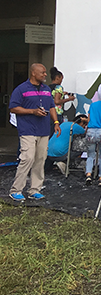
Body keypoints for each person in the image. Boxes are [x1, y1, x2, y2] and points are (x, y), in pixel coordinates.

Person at [8, 63, 59, 201]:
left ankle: (34, 189)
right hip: (27, 130)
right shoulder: (21, 89)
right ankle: (16, 190)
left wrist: (55, 122)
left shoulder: (47, 89)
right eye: (42, 72)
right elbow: (13, 108)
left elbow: (52, 106)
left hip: (43, 130)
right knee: (27, 158)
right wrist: (32, 111)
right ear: (33, 73)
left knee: (40, 159)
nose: (45, 74)